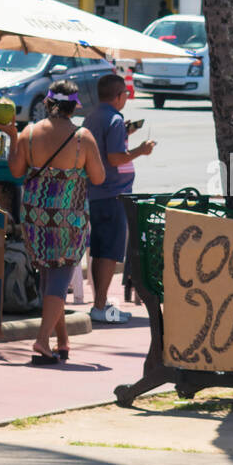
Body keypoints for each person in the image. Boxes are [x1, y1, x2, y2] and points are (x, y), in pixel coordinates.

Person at [0, 79, 106, 364]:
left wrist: (12, 136)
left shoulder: (29, 133)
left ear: (46, 103)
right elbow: (99, 178)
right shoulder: (83, 137)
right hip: (68, 219)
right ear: (72, 107)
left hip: (35, 218)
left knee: (47, 276)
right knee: (59, 278)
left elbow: (16, 171)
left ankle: (63, 341)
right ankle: (43, 341)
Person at [82, 72, 156, 323]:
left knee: (100, 250)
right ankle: (100, 305)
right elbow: (115, 157)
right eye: (125, 93)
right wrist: (141, 151)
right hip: (113, 193)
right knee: (110, 253)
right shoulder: (114, 119)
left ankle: (98, 304)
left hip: (97, 192)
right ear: (117, 96)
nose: (126, 97)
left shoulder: (93, 117)